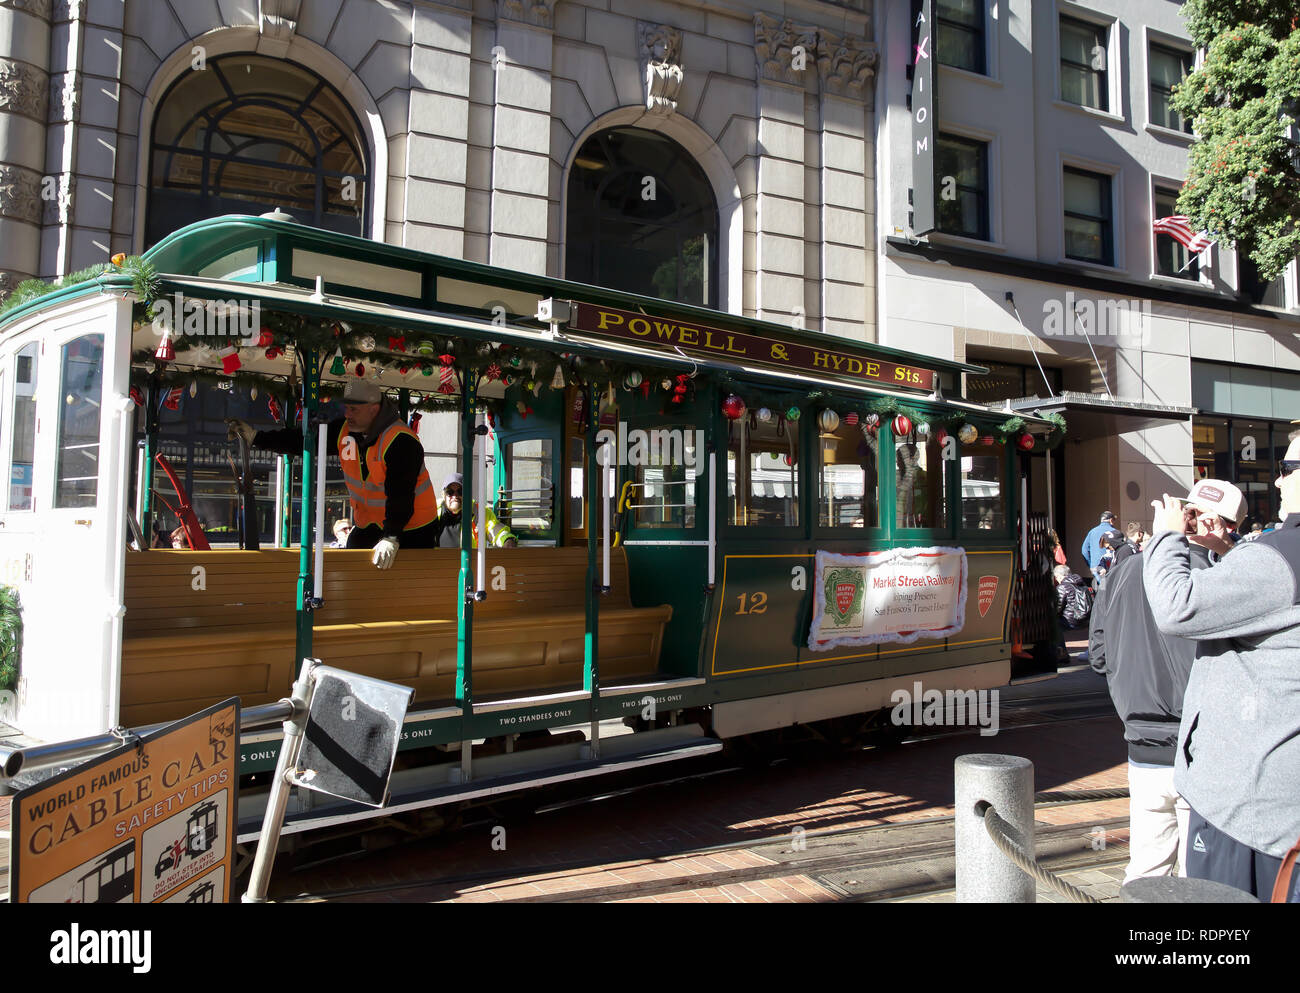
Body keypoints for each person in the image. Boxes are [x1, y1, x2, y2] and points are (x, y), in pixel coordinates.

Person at [1143, 463, 1300, 900]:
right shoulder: (1272, 558)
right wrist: (1228, 550)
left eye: (1287, 468)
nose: (1277, 480)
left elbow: (1177, 607)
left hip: (1248, 813)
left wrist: (1166, 536)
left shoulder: (1279, 556)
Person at [1089, 501, 1209, 882]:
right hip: (1197, 750)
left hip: (1141, 744)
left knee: (1145, 869)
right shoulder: (1207, 572)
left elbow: (1097, 654)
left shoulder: (1121, 573)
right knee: (1201, 877)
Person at [226, 379, 438, 569]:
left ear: (374, 410)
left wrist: (392, 537)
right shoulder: (345, 431)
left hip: (413, 529)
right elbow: (302, 440)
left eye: (354, 409)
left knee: (402, 583)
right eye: (347, 408)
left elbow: (400, 495)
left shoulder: (401, 441)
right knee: (354, 564)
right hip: (371, 525)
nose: (347, 414)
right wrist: (256, 437)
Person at [433, 473, 517, 549]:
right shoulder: (434, 509)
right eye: (450, 492)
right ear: (443, 495)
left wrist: (507, 540)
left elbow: (496, 531)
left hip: (470, 564)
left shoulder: (479, 512)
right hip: (439, 563)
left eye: (460, 491)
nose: (455, 496)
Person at [1053, 563, 1092, 630]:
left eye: (1056, 577)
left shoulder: (1062, 587)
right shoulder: (1081, 582)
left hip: (1068, 622)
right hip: (1084, 621)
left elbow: (1058, 607)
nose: (1056, 579)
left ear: (1059, 576)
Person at [1082, 510, 1117, 583]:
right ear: (1111, 520)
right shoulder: (1115, 532)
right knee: (1109, 591)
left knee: (1100, 590)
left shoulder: (1092, 532)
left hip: (1096, 568)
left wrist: (1091, 564)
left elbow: (1084, 550)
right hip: (1111, 568)